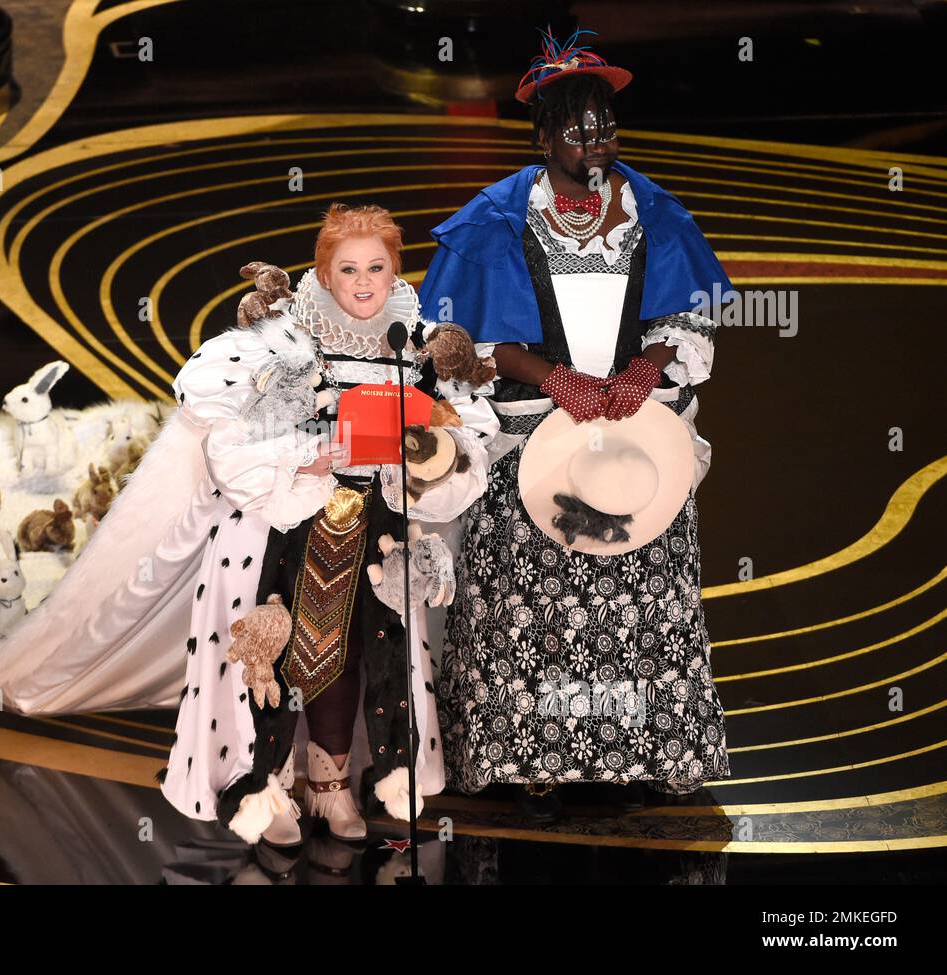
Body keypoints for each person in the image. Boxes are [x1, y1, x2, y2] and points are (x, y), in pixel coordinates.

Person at [417, 27, 732, 822]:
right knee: (530, 597)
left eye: (605, 129)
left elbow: (687, 322)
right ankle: (528, 753)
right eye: (575, 130)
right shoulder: (495, 218)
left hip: (634, 427)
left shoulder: (649, 210)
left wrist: (644, 370)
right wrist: (553, 378)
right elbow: (466, 342)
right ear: (541, 137)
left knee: (642, 591)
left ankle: (648, 750)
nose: (593, 144)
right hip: (530, 429)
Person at [157, 203, 500, 845]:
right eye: (349, 269)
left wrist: (425, 454)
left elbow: (465, 439)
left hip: (376, 526)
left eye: (377, 266)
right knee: (278, 653)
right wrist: (304, 455)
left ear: (395, 269)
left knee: (356, 654)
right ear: (325, 272)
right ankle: (268, 786)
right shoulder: (285, 339)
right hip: (284, 524)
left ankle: (333, 788)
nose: (364, 282)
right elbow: (229, 442)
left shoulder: (417, 341)